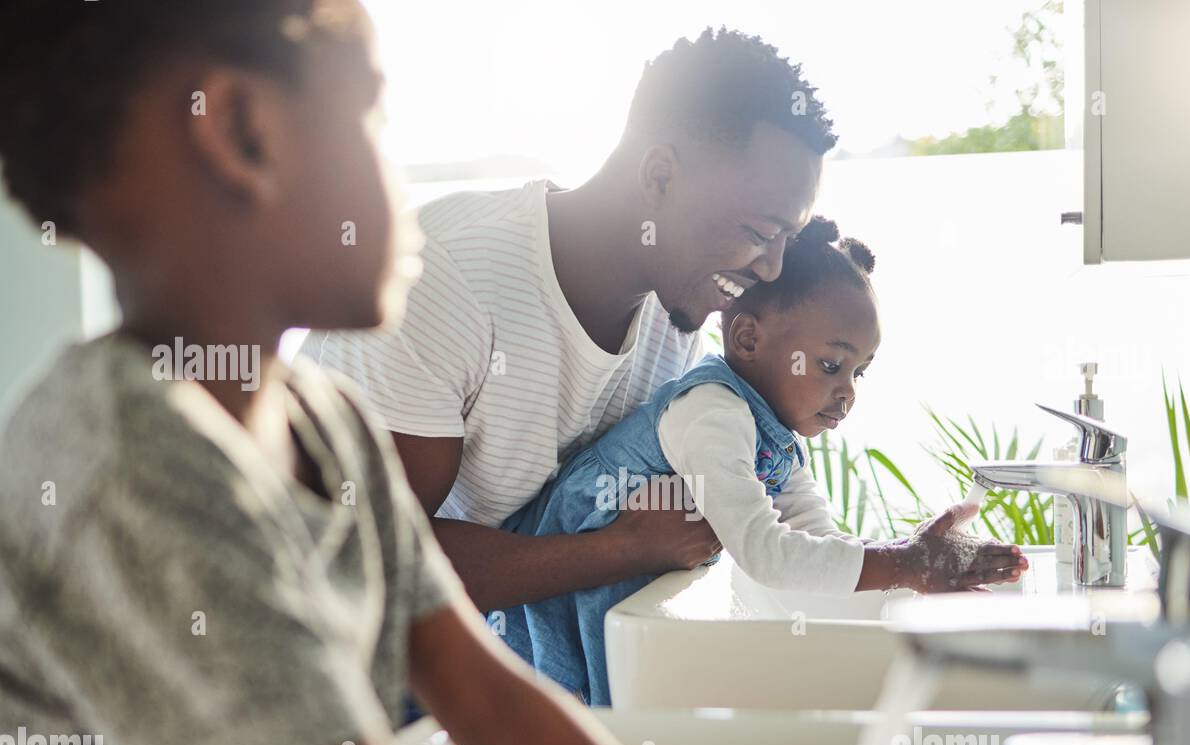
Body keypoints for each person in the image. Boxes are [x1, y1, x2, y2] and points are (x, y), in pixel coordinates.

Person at [0, 0, 960, 745]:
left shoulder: (327, 427)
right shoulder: (129, 456)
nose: (397, 167)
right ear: (242, 131)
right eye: (371, 116)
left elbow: (494, 705)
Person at [302, 28, 838, 616]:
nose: (773, 267)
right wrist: (622, 548)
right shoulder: (440, 278)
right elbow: (375, 559)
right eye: (761, 233)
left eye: (789, 238)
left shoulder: (679, 298)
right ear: (660, 178)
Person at [496, 217, 1028, 704]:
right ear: (748, 337)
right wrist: (907, 562)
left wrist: (911, 560)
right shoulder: (711, 412)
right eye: (829, 365)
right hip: (553, 604)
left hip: (626, 605)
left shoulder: (771, 433)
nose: (847, 394)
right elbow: (763, 552)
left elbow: (815, 540)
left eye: (857, 373)